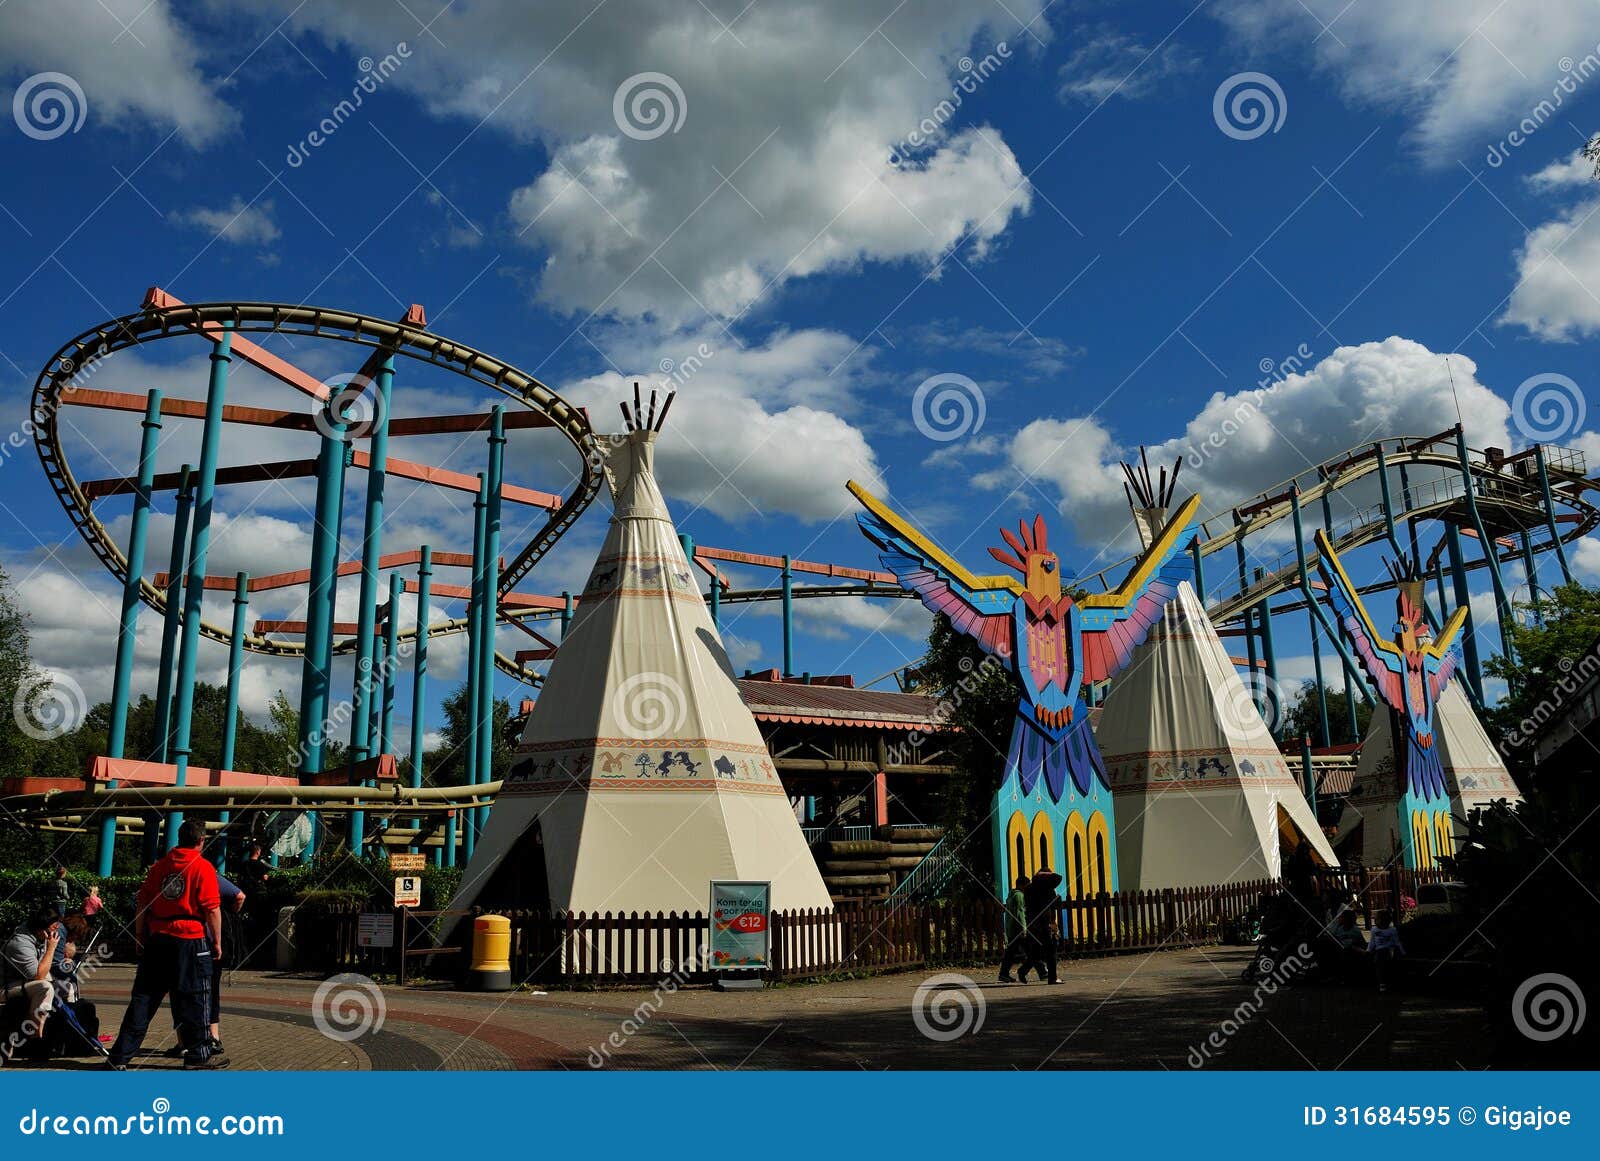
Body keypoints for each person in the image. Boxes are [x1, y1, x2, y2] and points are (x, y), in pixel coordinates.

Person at [106, 820, 229, 1070]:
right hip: (191, 939)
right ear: (201, 840)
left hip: (158, 938)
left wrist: (140, 936)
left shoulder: (159, 867)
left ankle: (120, 1056)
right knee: (195, 998)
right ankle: (197, 1055)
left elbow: (142, 904)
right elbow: (212, 909)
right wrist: (217, 941)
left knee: (143, 998)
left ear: (178, 838)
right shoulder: (203, 868)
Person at [169, 872, 245, 1057]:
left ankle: (183, 1042)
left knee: (178, 992)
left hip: (175, 940)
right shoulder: (208, 873)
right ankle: (213, 1037)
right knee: (210, 991)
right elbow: (239, 896)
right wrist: (229, 914)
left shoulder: (167, 873)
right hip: (208, 942)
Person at [1, 907, 61, 1045]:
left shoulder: (41, 937)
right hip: (5, 987)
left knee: (66, 987)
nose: (56, 931)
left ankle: (66, 1032)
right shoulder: (20, 944)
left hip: (24, 981)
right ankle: (35, 1036)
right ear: (41, 930)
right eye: (53, 928)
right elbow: (38, 975)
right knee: (44, 987)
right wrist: (51, 948)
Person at [1023, 866, 1063, 985]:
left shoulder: (1029, 889)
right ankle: (1052, 977)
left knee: (1037, 950)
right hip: (1046, 923)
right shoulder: (1048, 890)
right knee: (1051, 951)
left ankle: (1022, 971)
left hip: (1034, 924)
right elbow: (1055, 906)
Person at [999, 874, 1030, 982]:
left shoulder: (1011, 895)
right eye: (1027, 886)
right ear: (1022, 886)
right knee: (1030, 952)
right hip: (1017, 929)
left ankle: (1003, 974)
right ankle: (1041, 972)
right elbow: (1020, 913)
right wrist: (1024, 928)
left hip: (1010, 927)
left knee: (1010, 953)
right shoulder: (1019, 896)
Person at [1368, 909, 1404, 993]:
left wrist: (1402, 951)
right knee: (1379, 959)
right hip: (1379, 951)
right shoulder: (1374, 930)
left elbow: (1397, 942)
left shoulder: (1392, 930)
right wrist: (1368, 950)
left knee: (1384, 958)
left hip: (1389, 950)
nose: (1375, 920)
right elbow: (1372, 942)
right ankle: (1382, 982)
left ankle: (1386, 981)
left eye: (1377, 919)